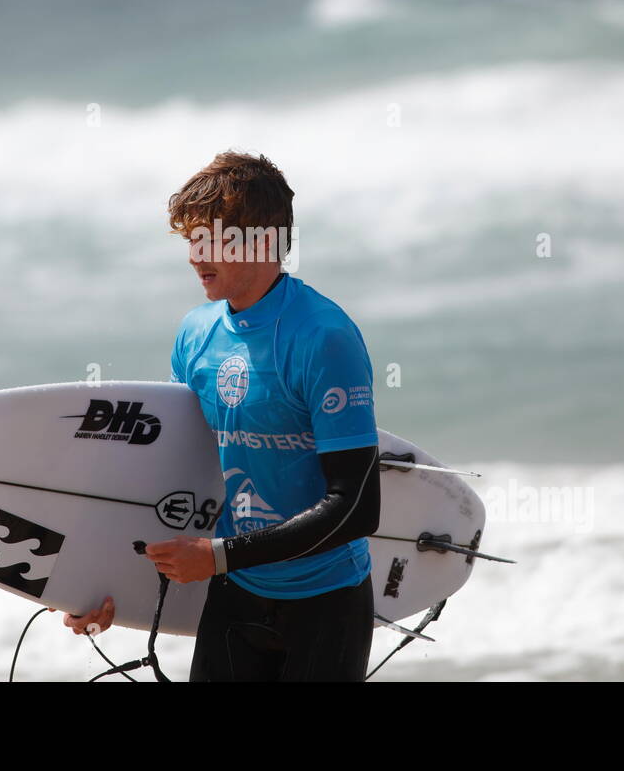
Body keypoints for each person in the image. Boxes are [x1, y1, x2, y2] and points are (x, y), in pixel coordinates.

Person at [55, 151, 381, 681]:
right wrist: (95, 586)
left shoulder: (323, 337)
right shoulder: (197, 334)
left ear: (261, 241)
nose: (193, 256)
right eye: (190, 239)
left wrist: (221, 556)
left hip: (326, 605)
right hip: (235, 597)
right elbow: (168, 478)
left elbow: (357, 508)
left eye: (210, 239)